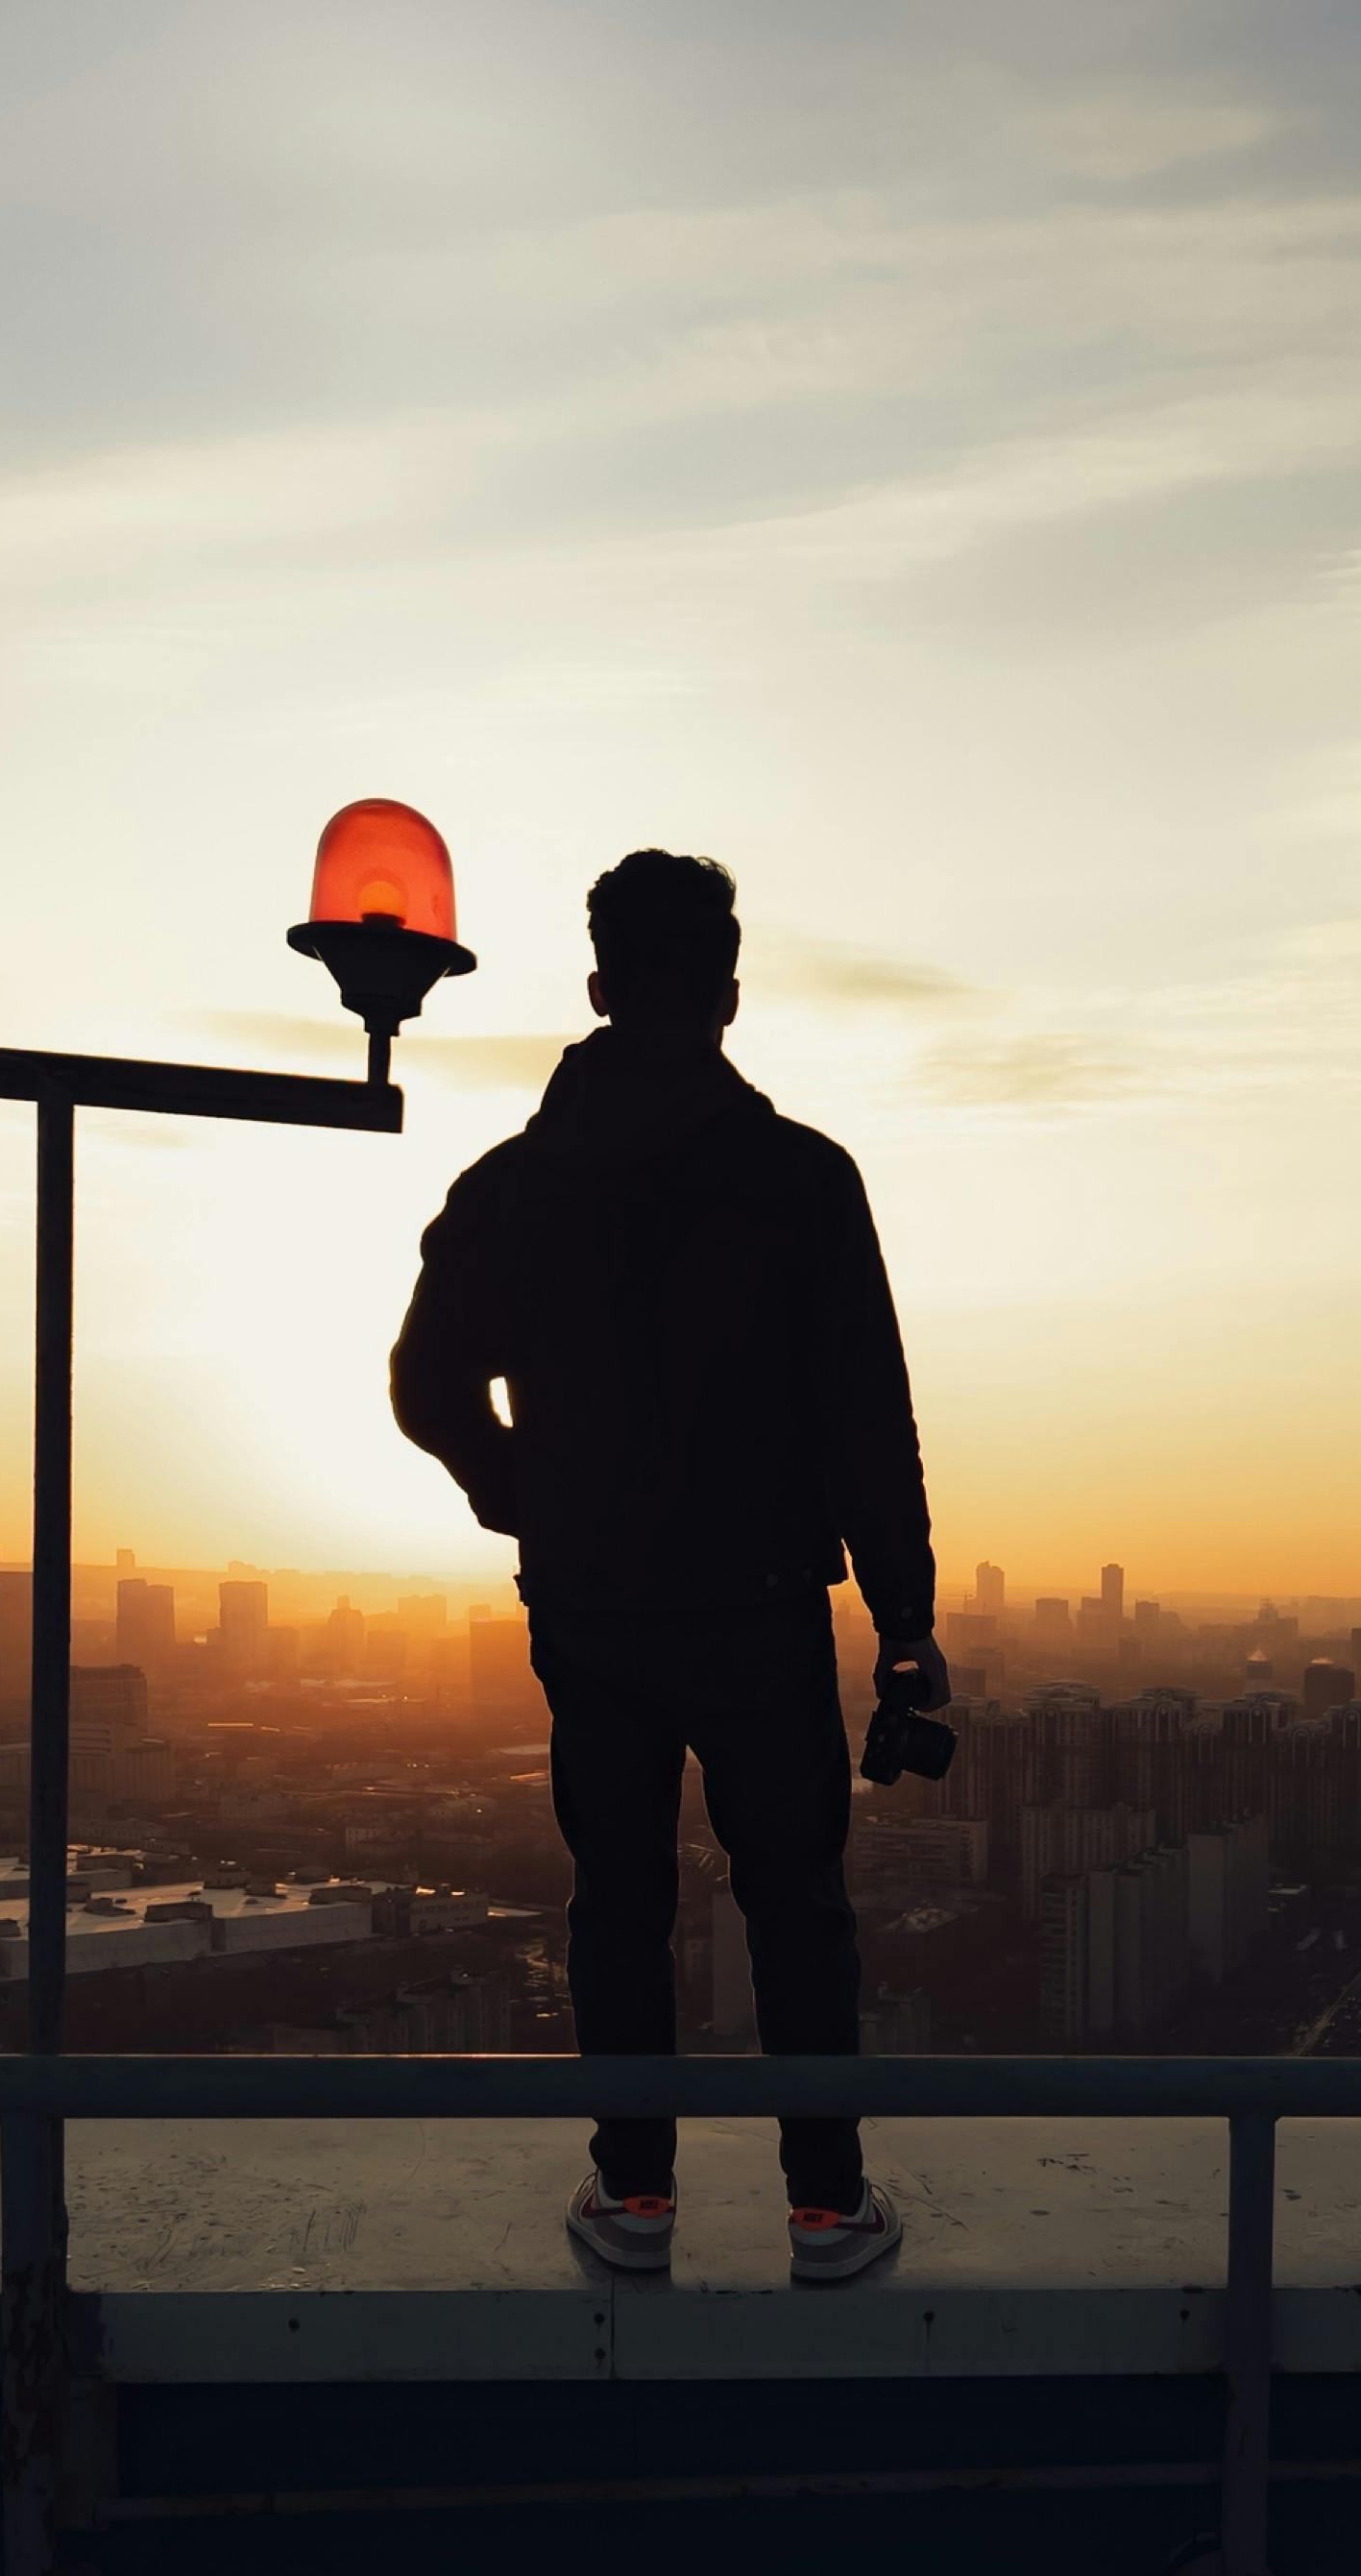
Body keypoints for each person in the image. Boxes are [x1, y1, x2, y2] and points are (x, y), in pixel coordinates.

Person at [390, 848, 943, 2281]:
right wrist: (904, 1619)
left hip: (593, 1606)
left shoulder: (511, 1190)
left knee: (619, 1897)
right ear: (727, 995)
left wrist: (526, 1497)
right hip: (761, 1604)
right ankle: (826, 2207)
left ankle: (634, 2198)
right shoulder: (802, 1182)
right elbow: (867, 1416)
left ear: (600, 988)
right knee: (796, 1902)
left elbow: (426, 1384)